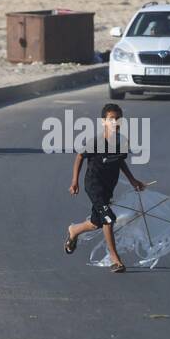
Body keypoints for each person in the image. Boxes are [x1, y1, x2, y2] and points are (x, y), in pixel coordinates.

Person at [63, 102, 147, 274]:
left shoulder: (122, 142)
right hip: (93, 184)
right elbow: (80, 156)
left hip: (109, 186)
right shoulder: (96, 142)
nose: (114, 122)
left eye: (117, 119)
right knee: (108, 218)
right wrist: (74, 181)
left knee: (96, 222)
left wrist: (132, 180)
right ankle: (115, 260)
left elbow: (120, 161)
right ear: (103, 121)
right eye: (111, 119)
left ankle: (74, 230)